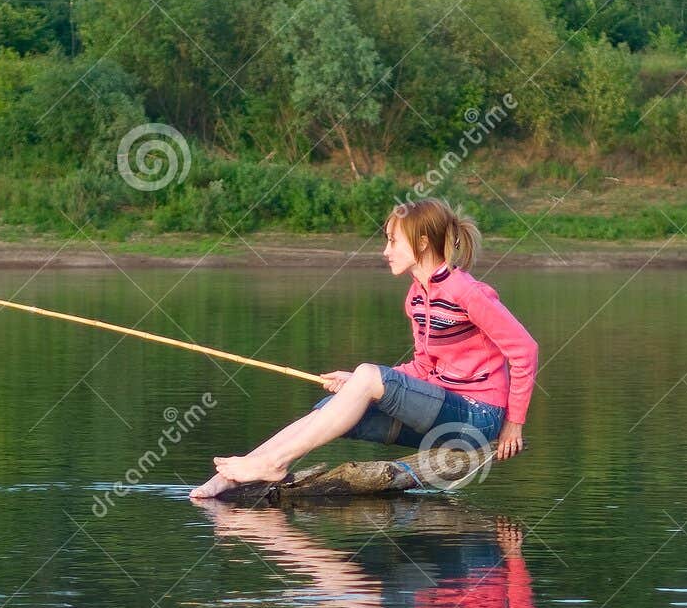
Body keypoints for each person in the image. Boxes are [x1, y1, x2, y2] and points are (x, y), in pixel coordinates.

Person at [191, 197, 538, 501]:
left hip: (479, 418)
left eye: (392, 242)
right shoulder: (417, 297)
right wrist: (356, 383)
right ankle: (229, 478)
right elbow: (422, 368)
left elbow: (525, 350)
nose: (385, 251)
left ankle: (273, 463)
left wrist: (514, 424)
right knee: (333, 405)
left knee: (368, 377)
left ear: (420, 243)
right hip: (441, 410)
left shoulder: (467, 293)